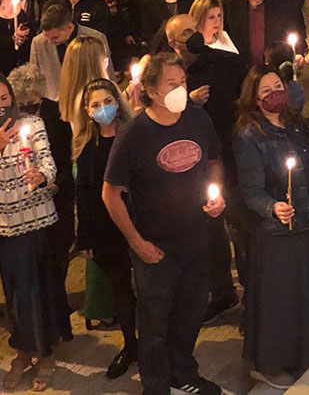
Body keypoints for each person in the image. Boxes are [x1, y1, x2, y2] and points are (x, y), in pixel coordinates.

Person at [102, 52, 226, 395]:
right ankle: (155, 385)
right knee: (155, 325)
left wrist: (218, 197)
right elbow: (110, 193)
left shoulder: (198, 119)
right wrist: (136, 242)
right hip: (156, 248)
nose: (182, 90)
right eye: (173, 85)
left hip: (197, 240)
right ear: (152, 92)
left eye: (183, 82)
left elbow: (213, 161)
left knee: (190, 315)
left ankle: (183, 373)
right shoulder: (134, 134)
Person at [0, 71, 70, 389]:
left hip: (36, 219)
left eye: (5, 98)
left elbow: (49, 163)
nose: (1, 105)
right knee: (14, 291)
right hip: (3, 226)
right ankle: (24, 349)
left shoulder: (32, 124)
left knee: (38, 288)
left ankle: (46, 352)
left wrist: (40, 175)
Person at [233, 67, 309, 388]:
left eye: (279, 86)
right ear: (255, 99)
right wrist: (272, 207)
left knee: (303, 291)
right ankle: (269, 363)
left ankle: (303, 353)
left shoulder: (295, 125)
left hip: (306, 222)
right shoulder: (249, 135)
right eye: (267, 90)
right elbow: (250, 191)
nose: (276, 93)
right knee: (278, 299)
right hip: (276, 231)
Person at [73, 78, 137, 380]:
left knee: (149, 289)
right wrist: (85, 237)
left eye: (108, 102)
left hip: (139, 223)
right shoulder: (88, 148)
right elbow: (84, 195)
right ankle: (131, 344)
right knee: (121, 290)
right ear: (87, 111)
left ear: (118, 102)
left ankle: (155, 343)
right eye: (95, 105)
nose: (103, 109)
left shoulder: (133, 137)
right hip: (105, 230)